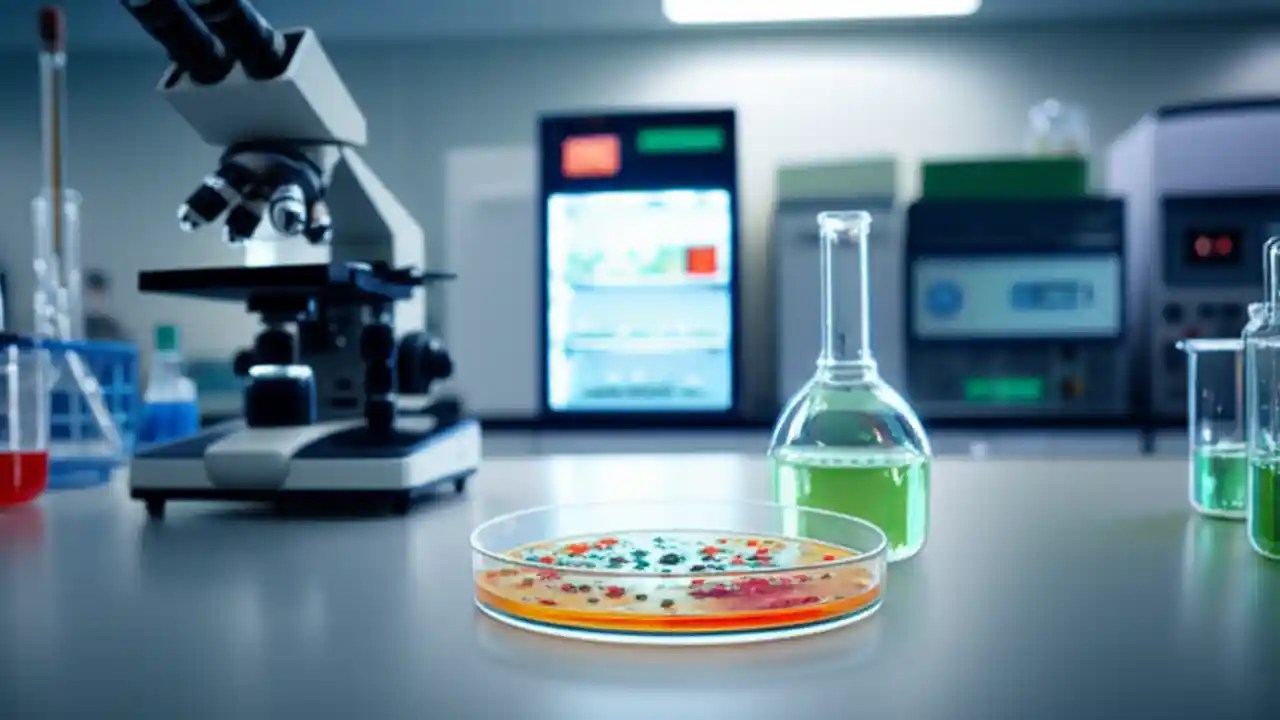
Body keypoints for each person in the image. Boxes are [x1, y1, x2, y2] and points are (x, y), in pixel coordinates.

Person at [84, 270, 131, 343]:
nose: (97, 299)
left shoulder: (113, 328)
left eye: (100, 294)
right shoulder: (81, 326)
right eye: (94, 294)